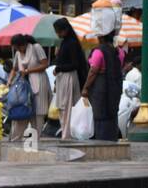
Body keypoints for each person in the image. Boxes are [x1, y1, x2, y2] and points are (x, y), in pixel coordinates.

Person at [82, 8, 125, 141]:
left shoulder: (98, 52)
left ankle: (101, 140)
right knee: (112, 113)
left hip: (100, 88)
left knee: (100, 115)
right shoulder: (119, 52)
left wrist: (85, 88)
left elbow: (93, 71)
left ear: (100, 36)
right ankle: (112, 139)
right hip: (115, 87)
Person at [9, 33, 51, 141]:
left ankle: (35, 139)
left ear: (23, 44)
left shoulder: (36, 47)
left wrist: (28, 71)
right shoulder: (18, 53)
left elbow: (45, 64)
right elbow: (14, 68)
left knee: (38, 113)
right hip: (23, 86)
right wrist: (9, 81)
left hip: (39, 82)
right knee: (23, 111)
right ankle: (19, 138)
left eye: (18, 47)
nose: (17, 49)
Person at [52, 18, 88, 139]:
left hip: (68, 77)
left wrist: (59, 68)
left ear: (65, 30)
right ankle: (65, 133)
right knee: (62, 108)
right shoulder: (65, 42)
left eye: (58, 31)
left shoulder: (71, 42)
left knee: (67, 108)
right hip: (63, 78)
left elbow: (74, 64)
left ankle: (67, 135)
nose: (57, 34)